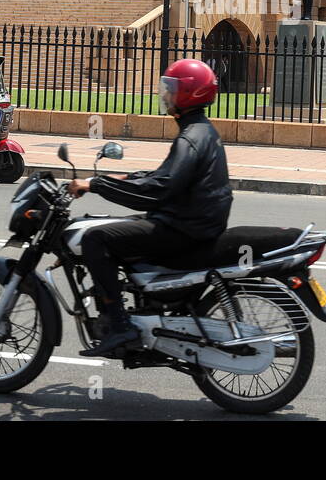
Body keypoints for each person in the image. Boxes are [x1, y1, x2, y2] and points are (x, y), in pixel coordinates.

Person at [67, 59, 232, 357]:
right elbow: (164, 176)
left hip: (183, 228)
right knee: (121, 227)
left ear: (189, 94)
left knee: (96, 238)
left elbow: (158, 190)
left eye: (172, 88)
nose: (166, 94)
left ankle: (119, 326)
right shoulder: (199, 130)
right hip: (192, 221)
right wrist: (124, 177)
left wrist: (98, 185)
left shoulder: (190, 138)